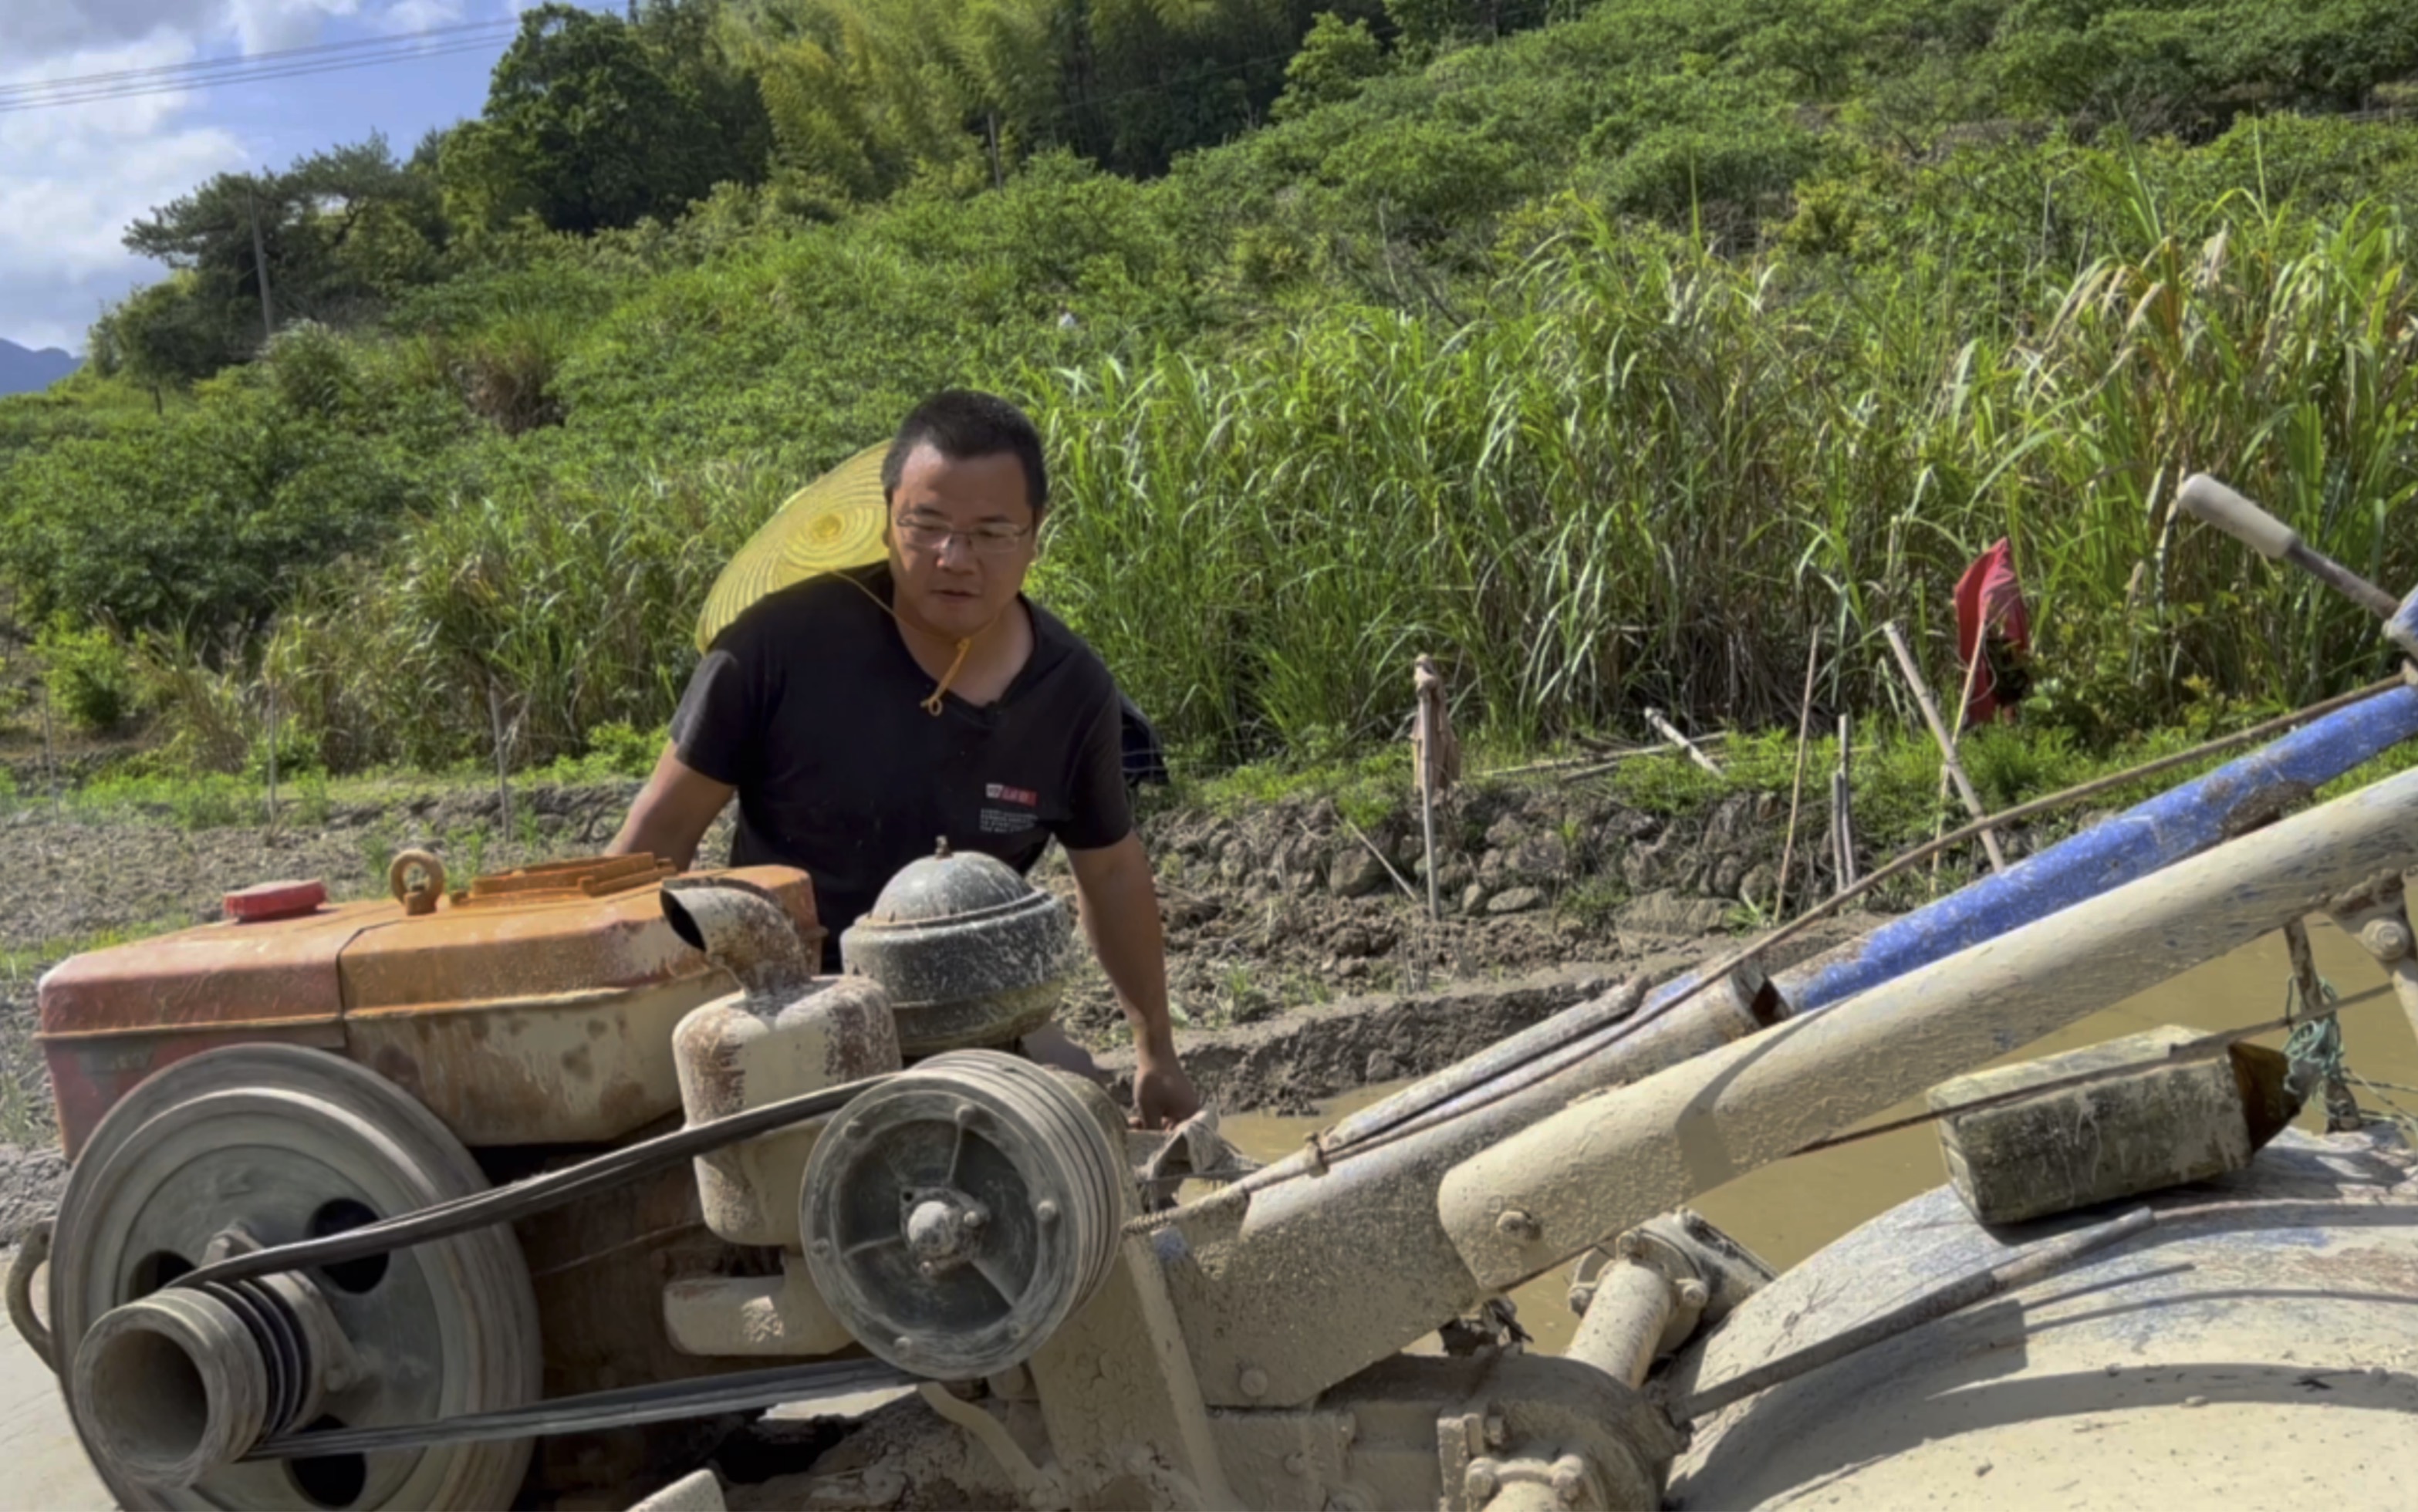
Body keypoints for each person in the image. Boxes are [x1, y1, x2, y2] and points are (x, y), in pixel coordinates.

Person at [608, 389, 1202, 1130]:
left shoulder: (1071, 691)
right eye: (926, 525)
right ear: (887, 518)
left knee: (1075, 1106)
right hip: (776, 1012)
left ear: (1033, 533)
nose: (954, 559)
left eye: (990, 532)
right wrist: (625, 1048)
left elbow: (1110, 870)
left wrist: (1157, 1053)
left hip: (961, 1015)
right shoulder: (776, 647)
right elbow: (655, 841)